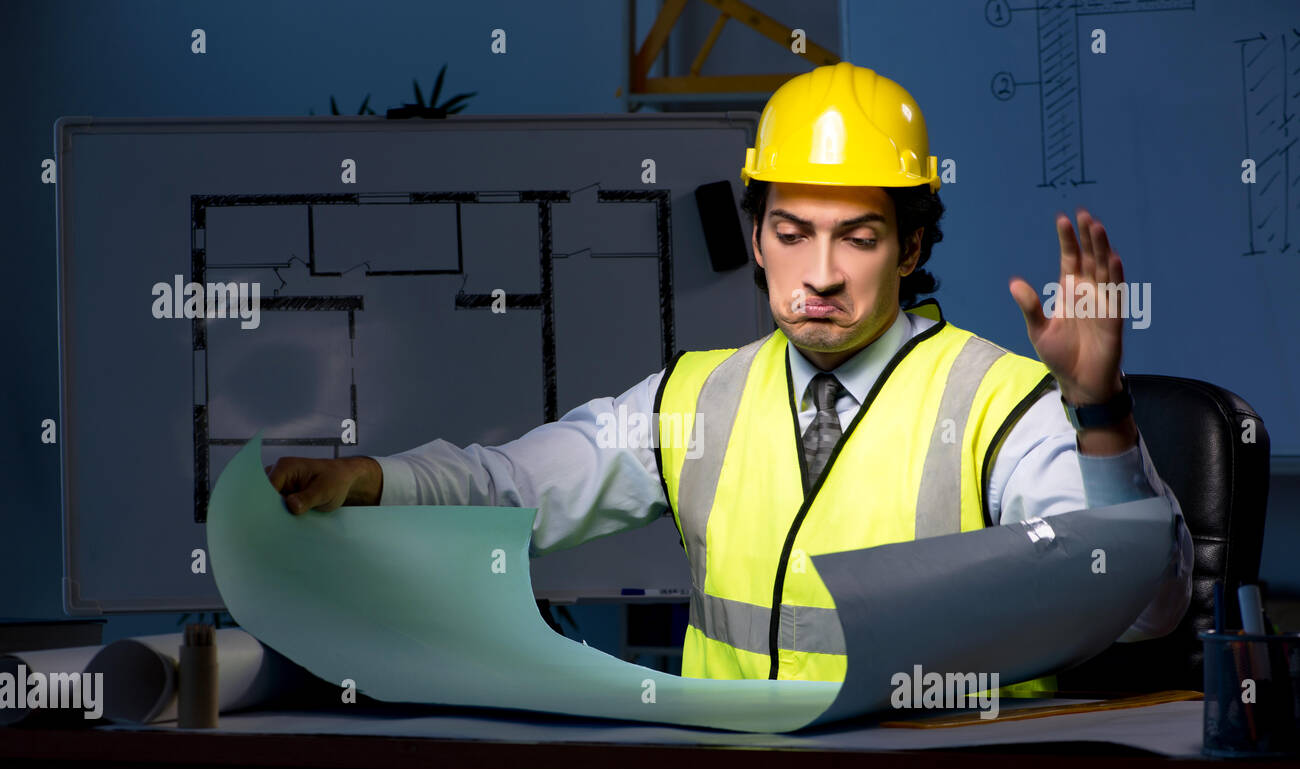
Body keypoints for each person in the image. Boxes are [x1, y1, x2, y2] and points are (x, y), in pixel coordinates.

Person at [267, 62, 1193, 689]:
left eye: (858, 237)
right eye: (791, 233)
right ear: (756, 237)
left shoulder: (998, 401)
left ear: (911, 247)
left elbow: (1147, 609)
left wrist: (1099, 408)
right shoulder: (695, 398)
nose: (819, 271)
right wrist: (373, 479)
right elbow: (511, 486)